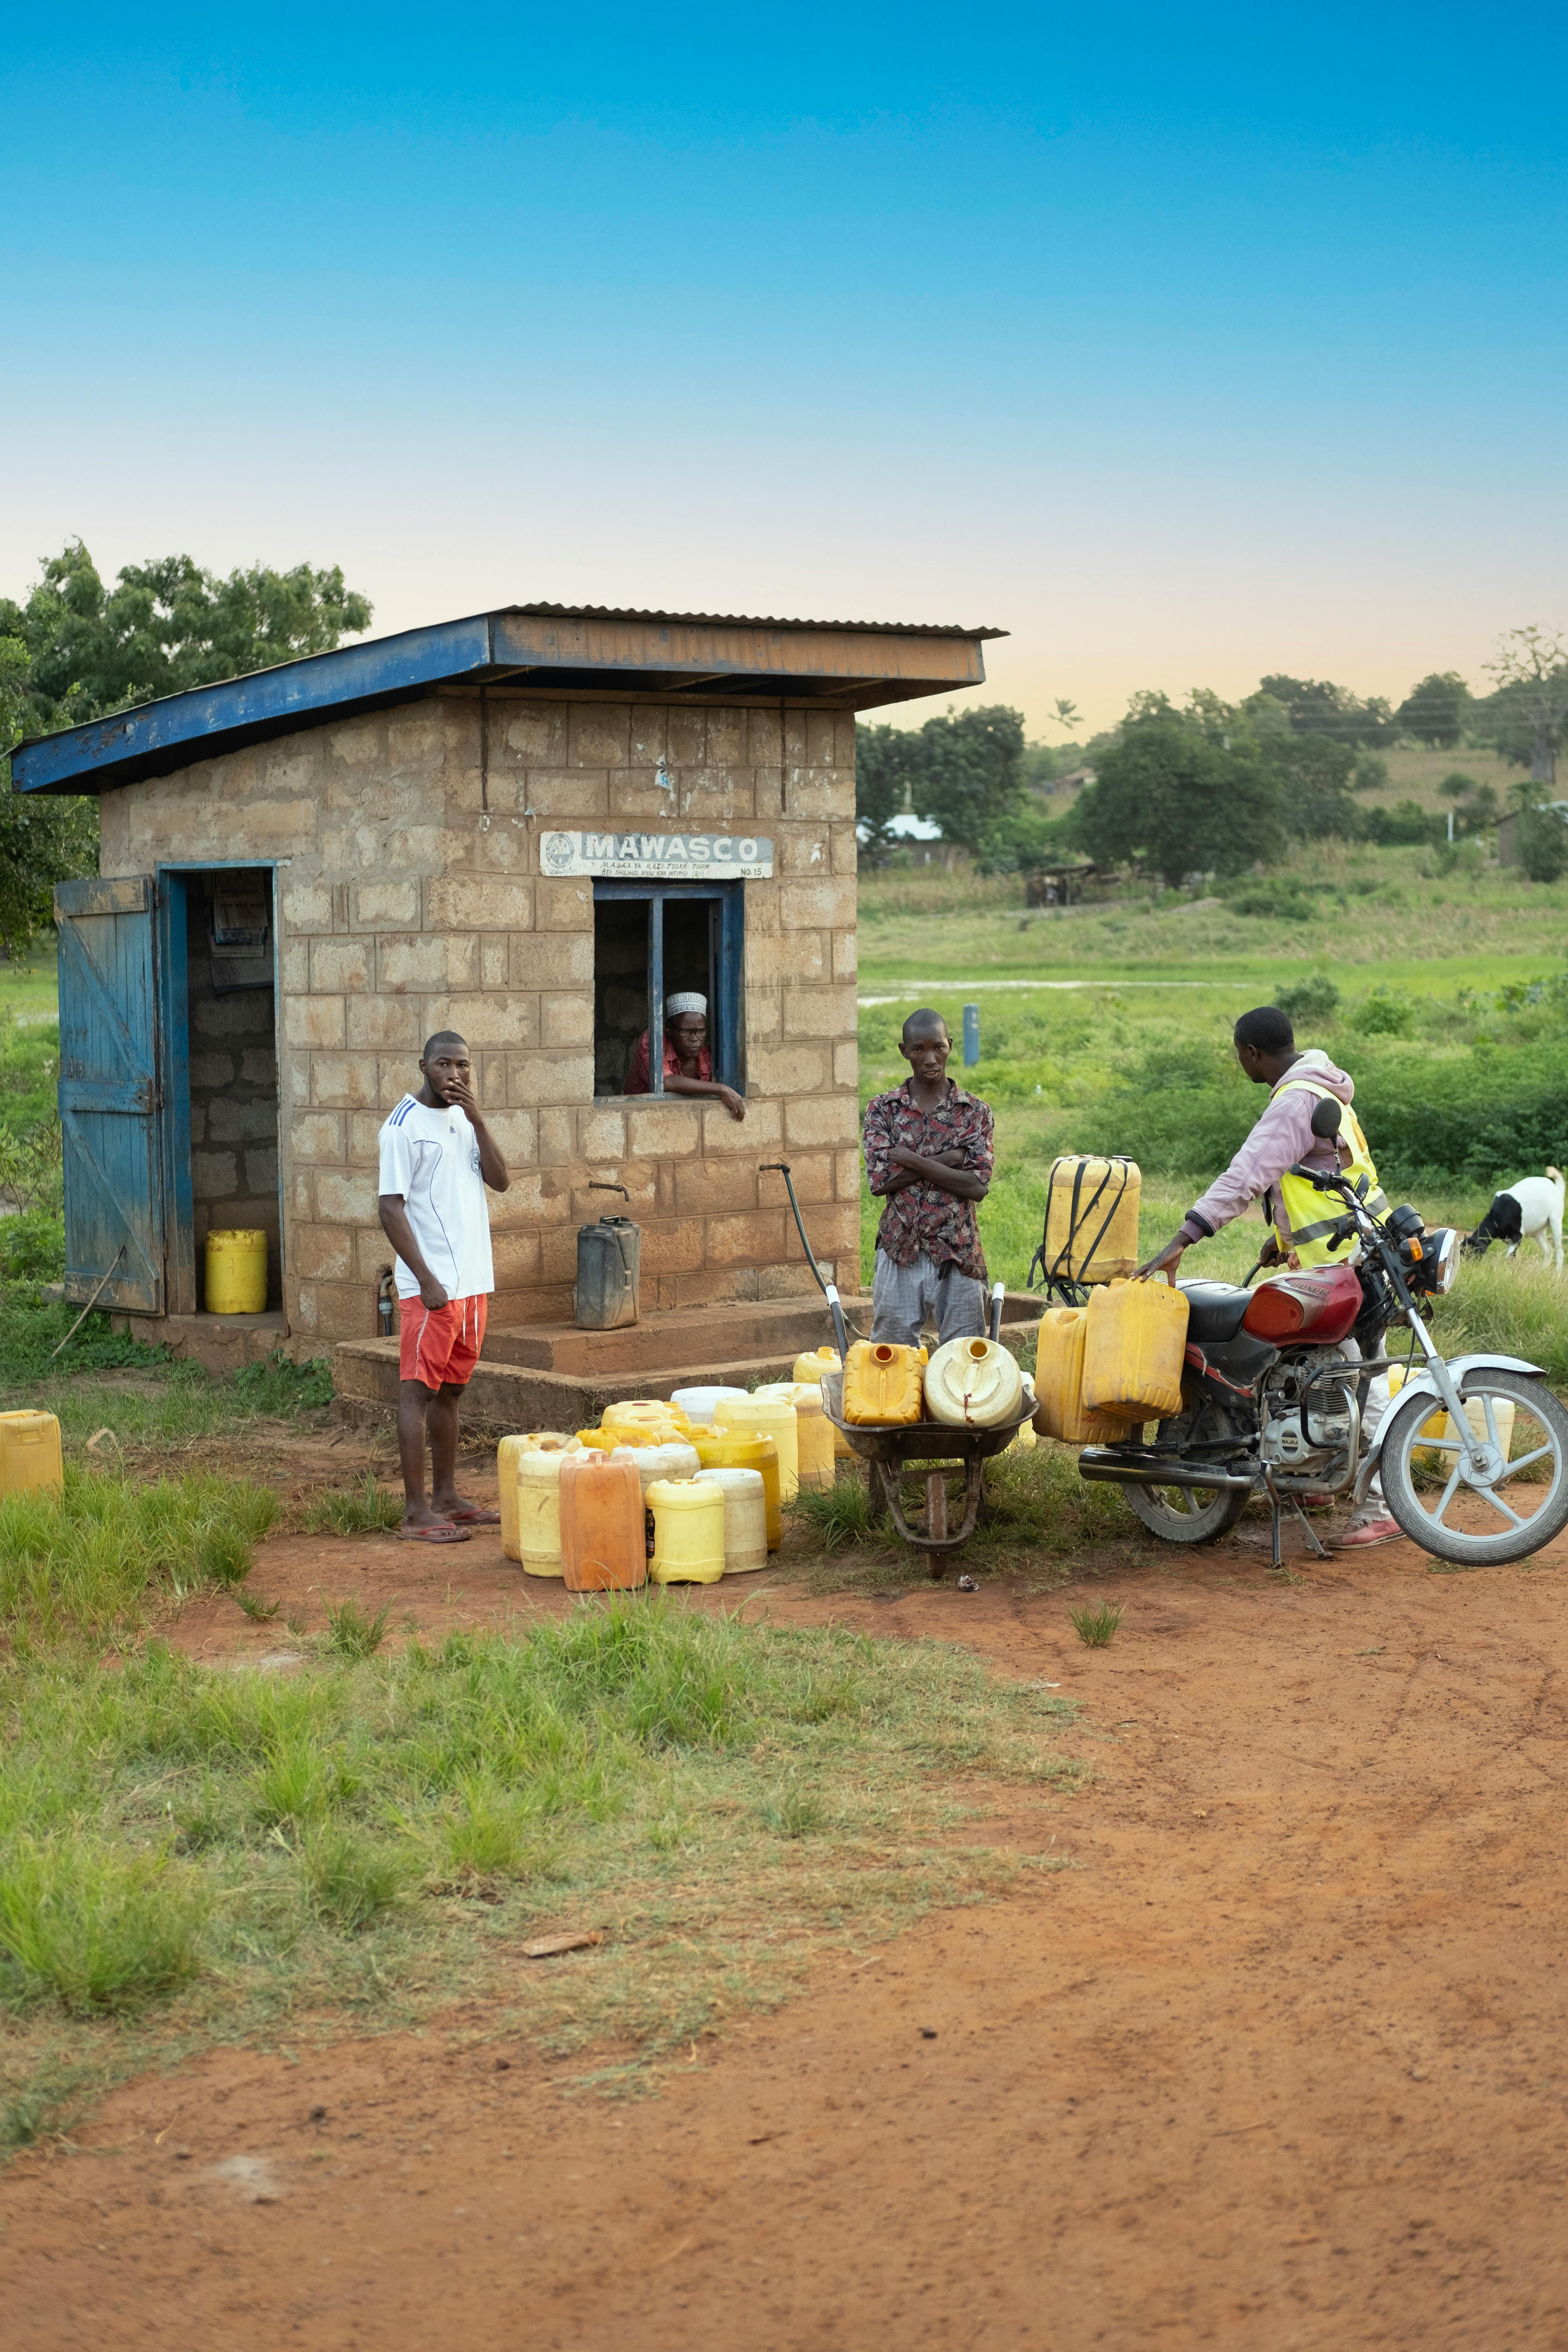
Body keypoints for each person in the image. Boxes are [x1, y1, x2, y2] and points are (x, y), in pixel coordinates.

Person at [1135, 1003, 1397, 1548]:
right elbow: (1322, 1173)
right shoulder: (1326, 1086)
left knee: (1353, 1379)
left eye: (1240, 1057)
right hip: (1364, 1248)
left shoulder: (1294, 1102)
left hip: (1342, 1263)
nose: (1241, 1065)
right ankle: (1316, 1479)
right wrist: (1281, 1240)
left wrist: (1184, 1237)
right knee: (1316, 1368)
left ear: (1253, 1054)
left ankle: (1378, 1505)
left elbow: (1248, 1174)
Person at [377, 1031, 511, 1543]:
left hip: (473, 1284)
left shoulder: (464, 1119)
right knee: (417, 1392)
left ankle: (447, 1497)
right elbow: (390, 1208)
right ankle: (415, 1513)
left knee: (452, 1392)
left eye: (463, 1066)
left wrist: (477, 1119)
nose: (455, 1075)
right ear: (423, 1066)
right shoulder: (402, 1128)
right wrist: (427, 1279)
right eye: (443, 1065)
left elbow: (500, 1180)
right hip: (430, 1288)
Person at [863, 1008, 994, 1346]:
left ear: (950, 1045)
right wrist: (951, 1160)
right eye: (919, 1049)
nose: (930, 1058)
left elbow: (977, 1186)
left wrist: (909, 1159)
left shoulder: (974, 1112)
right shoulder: (883, 1109)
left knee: (964, 1358)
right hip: (900, 1248)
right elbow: (881, 1183)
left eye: (938, 1047)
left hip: (958, 1250)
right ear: (904, 1051)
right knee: (891, 1357)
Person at [624, 992, 745, 1120]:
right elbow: (664, 1082)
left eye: (701, 1031)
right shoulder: (653, 1041)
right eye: (686, 1031)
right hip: (643, 1118)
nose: (695, 1039)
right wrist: (722, 1089)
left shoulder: (707, 1055)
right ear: (669, 1030)